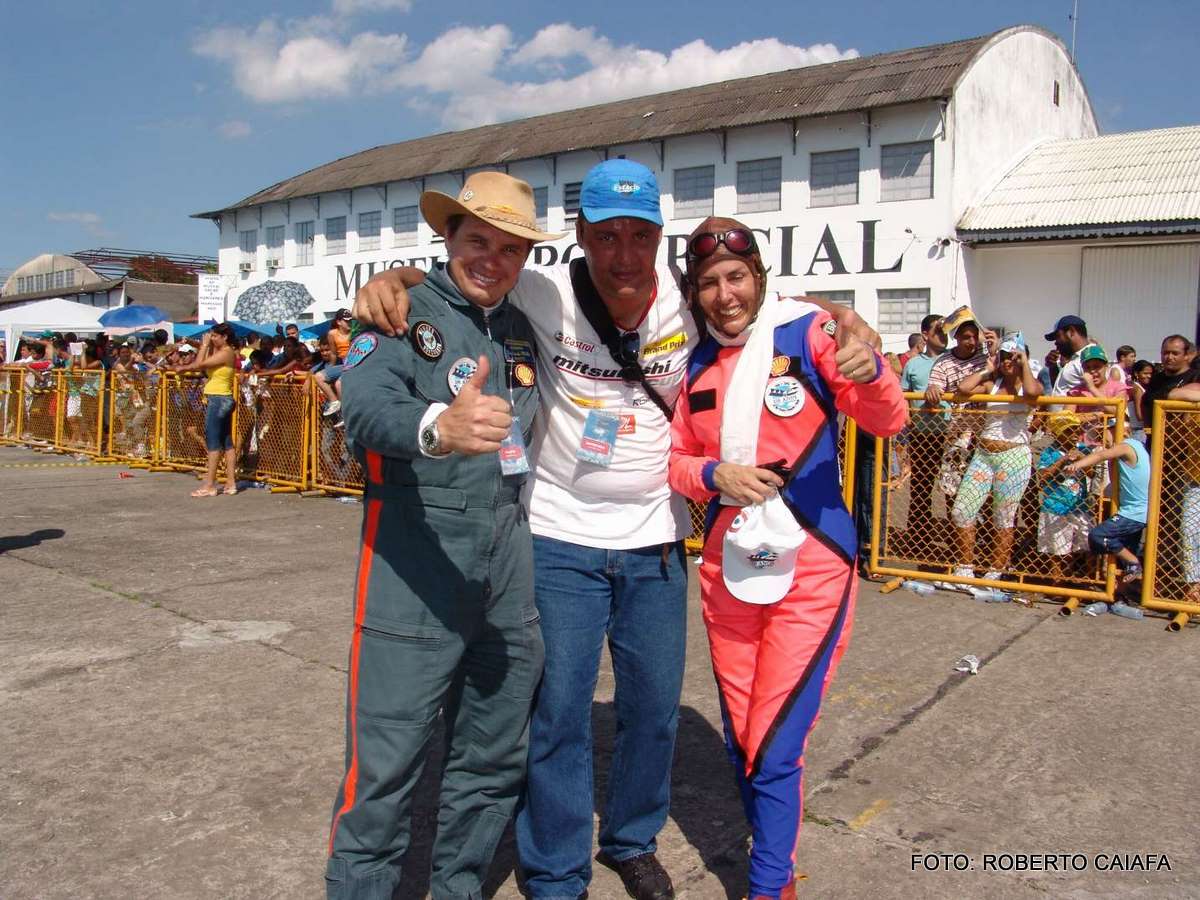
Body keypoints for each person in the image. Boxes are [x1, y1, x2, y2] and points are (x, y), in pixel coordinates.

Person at [350, 158, 879, 900]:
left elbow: (767, 305)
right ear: (580, 238)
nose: (623, 255)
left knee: (653, 711)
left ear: (660, 238)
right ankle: (557, 870)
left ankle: (631, 841)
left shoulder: (689, 305)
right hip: (559, 534)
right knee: (559, 711)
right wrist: (394, 280)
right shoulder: (544, 289)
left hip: (656, 538)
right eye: (606, 237)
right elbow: (467, 278)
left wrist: (846, 317)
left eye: (640, 236)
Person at [325, 171, 557, 900]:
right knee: (385, 775)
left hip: (507, 576)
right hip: (413, 579)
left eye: (511, 248)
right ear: (447, 236)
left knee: (492, 763)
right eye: (477, 240)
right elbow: (364, 408)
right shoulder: (398, 314)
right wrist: (438, 428)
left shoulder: (519, 326)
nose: (493, 259)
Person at [667, 216, 904, 900]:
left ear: (759, 278)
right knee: (746, 737)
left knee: (774, 742)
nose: (724, 294)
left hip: (813, 567)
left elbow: (889, 420)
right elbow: (676, 462)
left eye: (736, 277)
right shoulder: (694, 362)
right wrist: (714, 476)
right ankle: (777, 857)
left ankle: (770, 886)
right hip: (727, 572)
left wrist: (873, 366)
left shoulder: (812, 334)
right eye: (708, 282)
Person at [946, 332, 1041, 583]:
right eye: (1005, 356)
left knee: (1003, 516)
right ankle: (965, 567)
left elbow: (1033, 393)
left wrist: (1023, 363)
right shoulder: (993, 383)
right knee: (962, 510)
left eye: (1013, 356)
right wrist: (988, 370)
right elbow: (964, 389)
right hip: (984, 455)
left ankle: (995, 571)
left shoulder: (1028, 382)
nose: (1009, 360)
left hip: (1014, 456)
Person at [924, 307, 997, 507]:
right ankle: (954, 533)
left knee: (985, 488)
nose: (972, 342)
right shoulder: (944, 363)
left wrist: (994, 349)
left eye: (975, 337)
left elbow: (1000, 381)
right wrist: (933, 389)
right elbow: (935, 387)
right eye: (966, 337)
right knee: (953, 486)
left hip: (987, 430)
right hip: (959, 432)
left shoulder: (987, 357)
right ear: (956, 338)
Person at [1067, 429, 1152, 583]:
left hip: (1133, 513)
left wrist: (1078, 464)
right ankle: (1119, 596)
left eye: (1106, 431)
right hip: (1135, 511)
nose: (1102, 435)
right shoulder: (1137, 447)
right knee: (1122, 553)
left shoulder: (1126, 446)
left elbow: (1101, 455)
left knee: (1098, 536)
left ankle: (1135, 563)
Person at [171, 323, 240, 497]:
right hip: (222, 398)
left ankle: (209, 484)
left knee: (213, 443)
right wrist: (197, 343)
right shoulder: (223, 351)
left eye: (216, 336)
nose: (212, 338)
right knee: (226, 442)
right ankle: (231, 483)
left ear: (224, 337)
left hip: (218, 399)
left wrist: (203, 345)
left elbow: (200, 364)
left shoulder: (225, 352)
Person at [899, 313, 948, 543]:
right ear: (926, 335)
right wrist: (908, 417)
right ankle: (918, 536)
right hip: (923, 435)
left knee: (952, 488)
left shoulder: (953, 361)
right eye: (939, 330)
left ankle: (955, 537)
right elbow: (903, 396)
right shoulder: (913, 364)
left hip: (951, 434)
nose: (944, 334)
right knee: (921, 486)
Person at [1035, 413, 1091, 583]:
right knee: (1058, 549)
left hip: (1079, 506)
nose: (1074, 435)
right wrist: (1063, 460)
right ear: (1059, 433)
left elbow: (1092, 474)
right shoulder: (1049, 453)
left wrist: (1082, 459)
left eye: (1077, 431)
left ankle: (1084, 578)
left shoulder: (1083, 449)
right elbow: (1043, 478)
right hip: (1055, 506)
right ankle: (1057, 580)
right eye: (1069, 431)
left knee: (1085, 544)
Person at [1167, 382, 1200, 603]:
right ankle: (1194, 586)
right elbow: (1174, 395)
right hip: (1195, 477)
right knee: (1188, 531)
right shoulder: (1195, 388)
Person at [1141, 335, 1200, 431]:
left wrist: (1177, 394)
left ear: (1186, 355)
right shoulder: (1156, 379)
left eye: (1175, 353)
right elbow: (1146, 403)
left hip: (1185, 441)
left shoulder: (1196, 377)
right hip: (1154, 439)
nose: (1169, 357)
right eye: (1165, 353)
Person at [1128, 359, 1154, 442]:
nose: (1149, 376)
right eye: (1145, 373)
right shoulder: (1137, 389)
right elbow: (1139, 415)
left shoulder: (1143, 388)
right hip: (1139, 431)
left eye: (1150, 373)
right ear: (1136, 374)